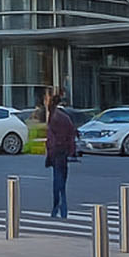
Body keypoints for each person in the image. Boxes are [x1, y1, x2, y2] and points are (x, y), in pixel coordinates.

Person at [43, 88, 78, 220]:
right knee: (61, 182)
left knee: (58, 182)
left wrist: (51, 151)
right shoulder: (62, 117)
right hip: (62, 153)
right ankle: (61, 208)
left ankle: (58, 208)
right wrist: (71, 152)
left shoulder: (55, 117)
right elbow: (71, 135)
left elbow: (53, 138)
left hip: (58, 153)